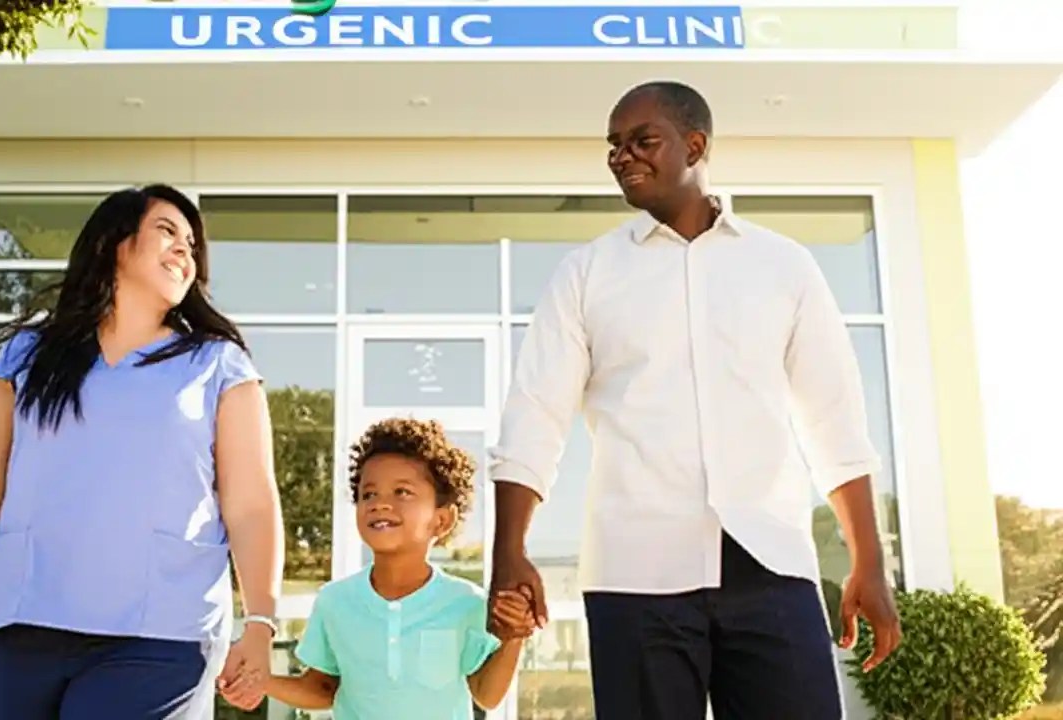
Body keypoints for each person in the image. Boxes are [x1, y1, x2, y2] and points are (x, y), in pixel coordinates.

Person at [487, 81, 903, 719]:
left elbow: (834, 420)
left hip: (772, 565)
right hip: (634, 576)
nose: (622, 157)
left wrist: (868, 561)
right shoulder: (586, 273)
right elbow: (536, 414)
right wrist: (509, 548)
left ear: (696, 144)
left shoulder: (784, 266)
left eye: (643, 141)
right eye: (614, 146)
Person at [0, 185, 284, 719]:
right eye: (167, 231)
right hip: (24, 629)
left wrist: (260, 622)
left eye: (192, 243)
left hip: (159, 636)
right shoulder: (27, 357)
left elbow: (251, 504)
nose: (185, 250)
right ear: (110, 244)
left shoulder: (219, 366)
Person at [230, 418, 534, 718]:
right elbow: (322, 688)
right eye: (369, 494)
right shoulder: (335, 601)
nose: (379, 504)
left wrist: (513, 637)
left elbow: (487, 695)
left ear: (441, 520)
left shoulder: (466, 602)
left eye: (401, 492)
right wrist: (264, 682)